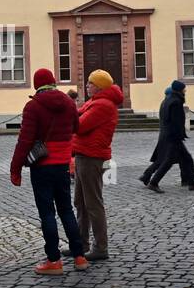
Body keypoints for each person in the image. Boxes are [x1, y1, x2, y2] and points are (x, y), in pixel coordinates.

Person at [11, 68, 85, 275]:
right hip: (63, 163)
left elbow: (25, 141)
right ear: (53, 82)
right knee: (66, 210)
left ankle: (54, 260)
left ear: (37, 84)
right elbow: (76, 128)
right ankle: (79, 256)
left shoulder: (33, 106)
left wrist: (15, 169)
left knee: (47, 213)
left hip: (42, 166)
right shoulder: (69, 103)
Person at [72, 70, 122, 262]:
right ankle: (81, 243)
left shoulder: (103, 105)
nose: (87, 86)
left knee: (93, 204)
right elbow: (77, 114)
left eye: (90, 83)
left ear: (99, 87)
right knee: (81, 203)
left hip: (92, 157)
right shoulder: (94, 102)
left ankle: (100, 247)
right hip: (83, 155)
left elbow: (79, 125)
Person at [141, 80, 194, 191]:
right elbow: (176, 121)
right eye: (184, 88)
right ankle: (154, 182)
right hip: (173, 137)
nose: (185, 90)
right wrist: (179, 135)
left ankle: (193, 183)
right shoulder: (176, 102)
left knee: (186, 159)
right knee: (170, 161)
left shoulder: (168, 100)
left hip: (169, 135)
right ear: (179, 89)